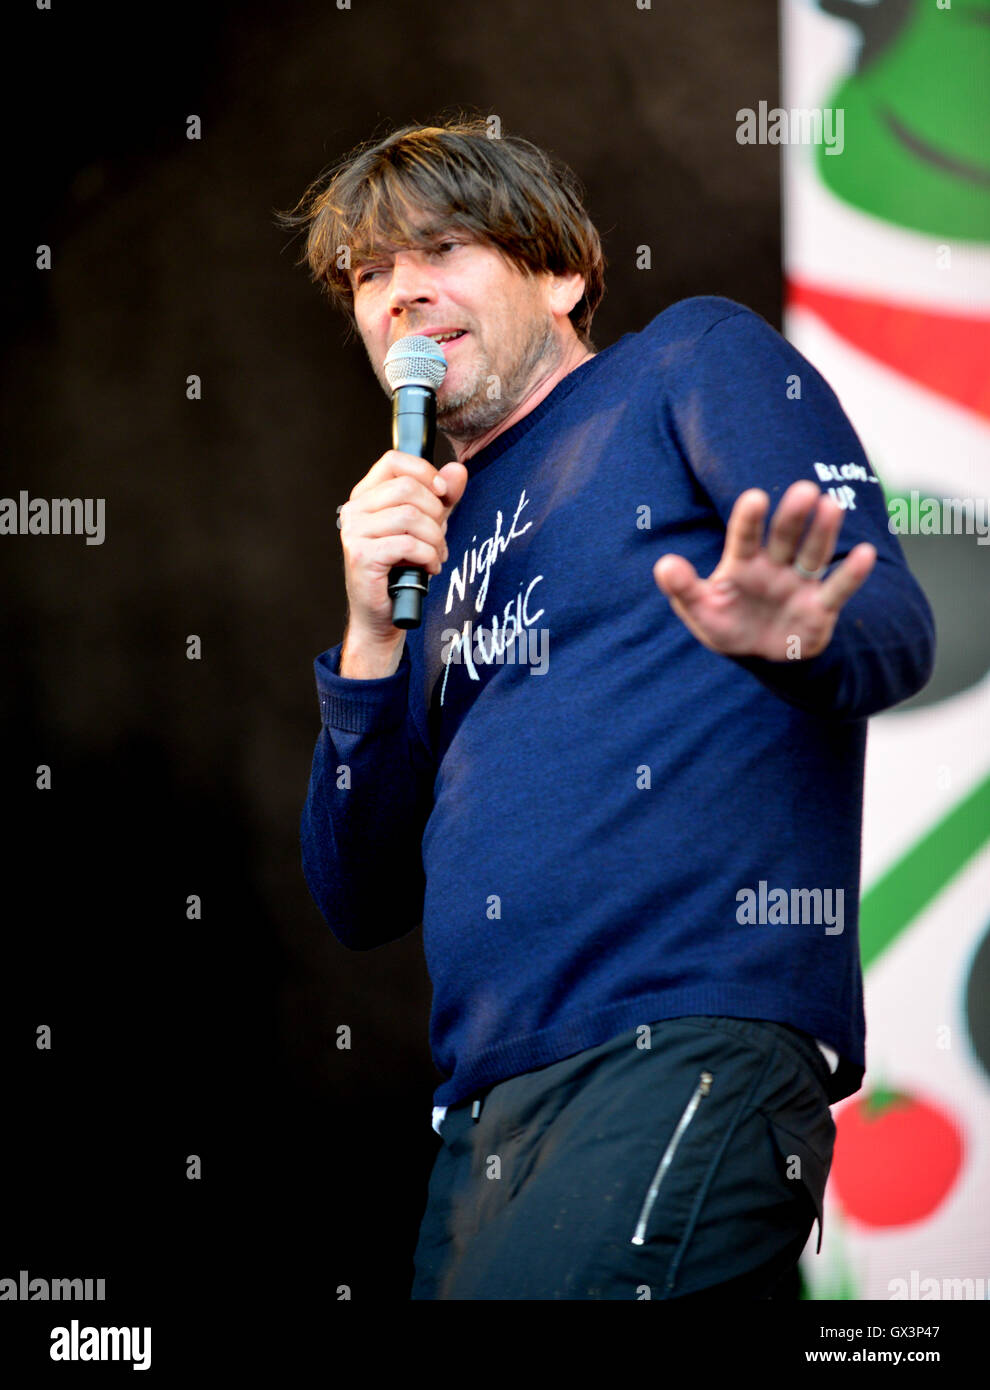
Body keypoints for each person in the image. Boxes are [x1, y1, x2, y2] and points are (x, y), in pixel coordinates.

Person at [279, 117, 936, 1300]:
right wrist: (373, 643)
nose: (399, 296)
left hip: (684, 1037)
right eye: (369, 274)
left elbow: (892, 627)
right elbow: (357, 891)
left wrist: (791, 621)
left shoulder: (688, 363)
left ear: (564, 273)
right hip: (483, 1115)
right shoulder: (430, 530)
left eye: (441, 250)